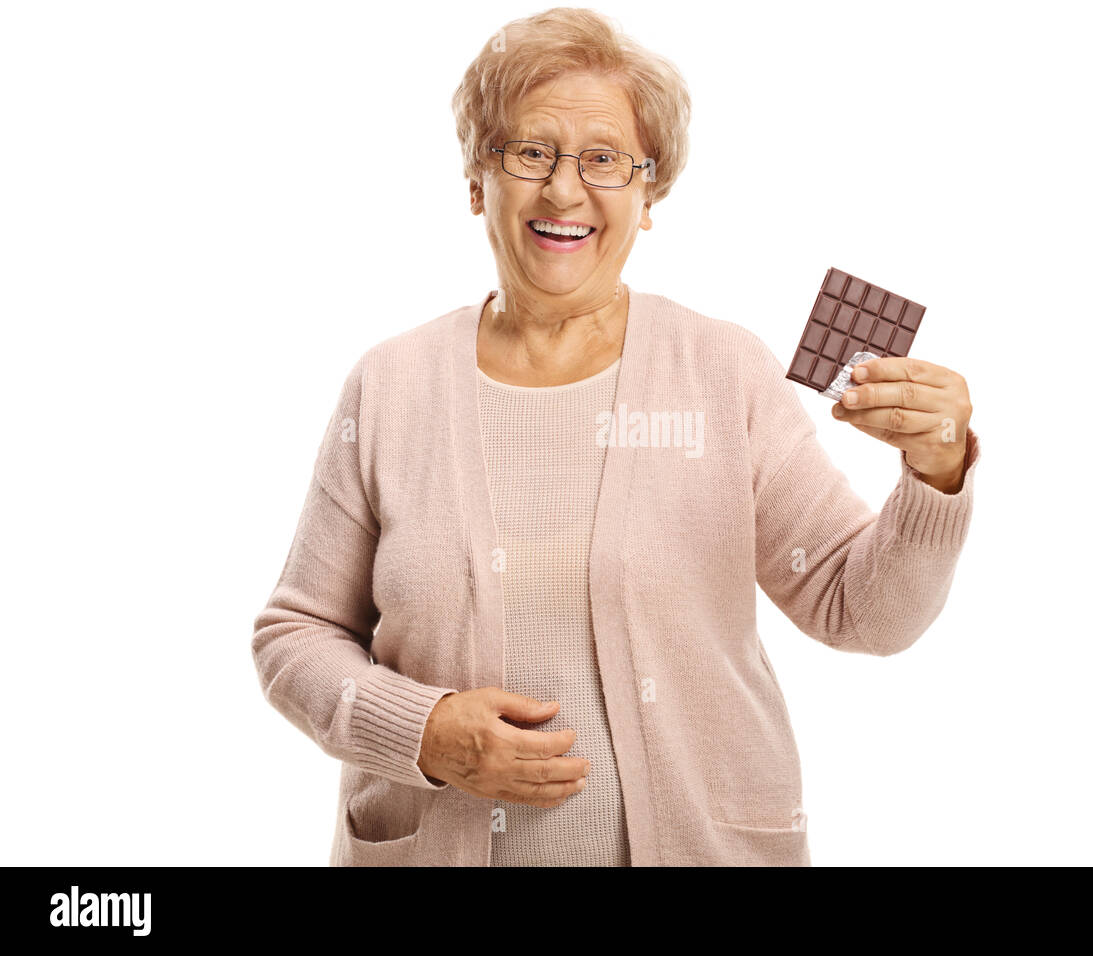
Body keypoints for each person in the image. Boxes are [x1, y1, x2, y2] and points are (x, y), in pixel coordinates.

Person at [252, 6, 980, 866]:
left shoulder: (721, 370)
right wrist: (424, 731)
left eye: (603, 160)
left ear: (648, 194)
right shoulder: (390, 385)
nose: (565, 190)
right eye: (530, 152)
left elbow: (860, 611)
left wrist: (933, 474)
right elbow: (295, 635)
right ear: (478, 182)